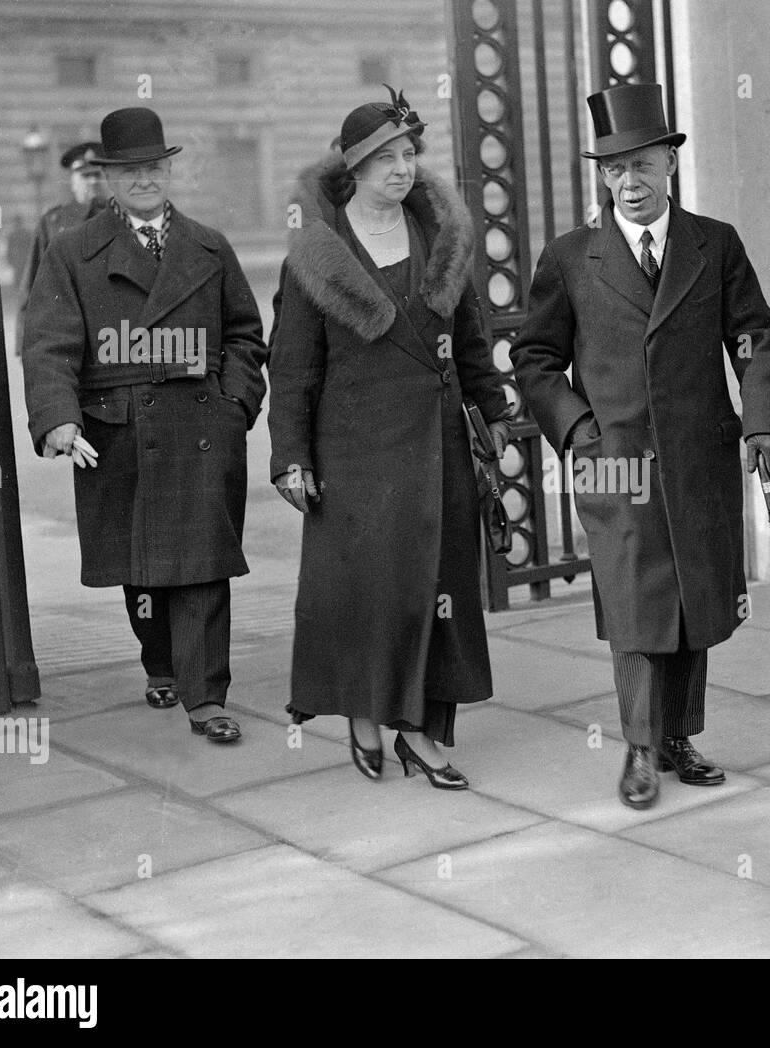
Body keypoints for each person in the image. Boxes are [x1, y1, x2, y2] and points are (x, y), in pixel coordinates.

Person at [510, 84, 770, 810]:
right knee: (637, 601)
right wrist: (578, 432)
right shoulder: (572, 258)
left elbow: (753, 334)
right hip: (616, 462)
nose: (628, 184)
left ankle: (677, 737)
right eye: (612, 171)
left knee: (694, 599)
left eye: (640, 165)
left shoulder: (715, 244)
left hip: (699, 456)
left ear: (669, 163)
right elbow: (535, 356)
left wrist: (764, 419)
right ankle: (640, 745)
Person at [268, 89, 511, 788]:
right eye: (386, 158)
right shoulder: (316, 256)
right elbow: (292, 371)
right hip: (354, 455)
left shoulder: (440, 241)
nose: (403, 169)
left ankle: (419, 730)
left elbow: (470, 341)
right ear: (355, 168)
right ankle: (368, 716)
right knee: (368, 594)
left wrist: (491, 412)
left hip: (436, 447)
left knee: (435, 586)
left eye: (409, 155)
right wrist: (291, 457)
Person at [22, 107, 267, 744]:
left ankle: (206, 695)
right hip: (116, 431)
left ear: (168, 171)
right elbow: (48, 345)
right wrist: (57, 420)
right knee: (142, 571)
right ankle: (160, 661)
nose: (144, 179)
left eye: (154, 166)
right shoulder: (73, 251)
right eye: (130, 170)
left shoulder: (210, 245)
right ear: (108, 177)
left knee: (204, 565)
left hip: (202, 428)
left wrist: (235, 404)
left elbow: (245, 334)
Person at [14, 141, 110, 355]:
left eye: (98, 174)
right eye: (86, 176)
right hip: (69, 337)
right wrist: (26, 345)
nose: (93, 181)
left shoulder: (125, 219)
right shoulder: (53, 223)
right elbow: (32, 285)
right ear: (72, 180)